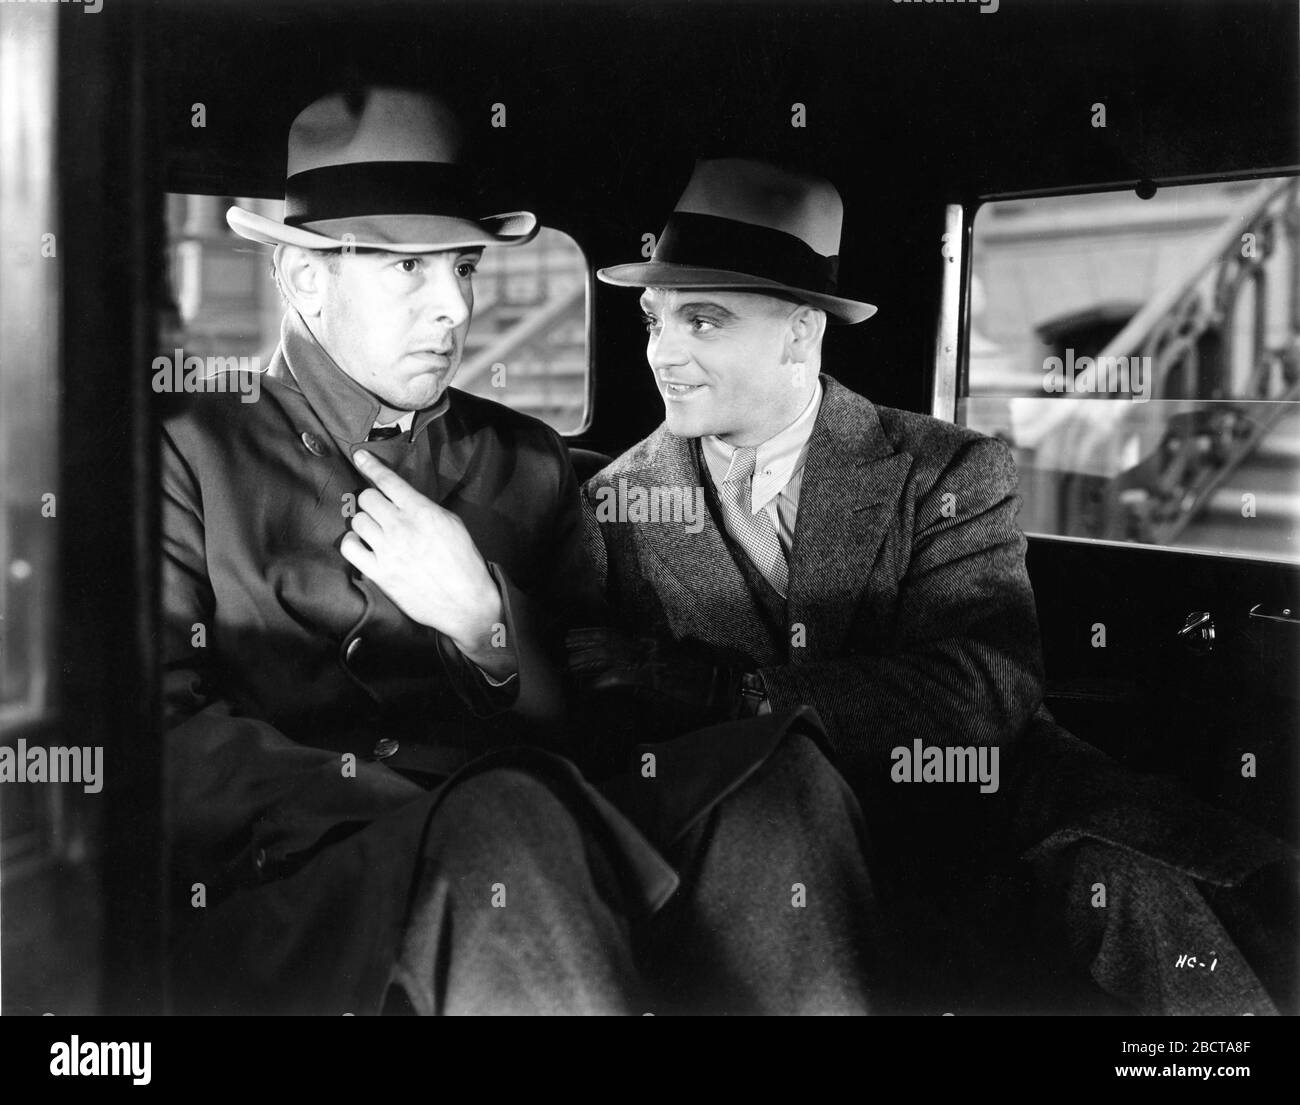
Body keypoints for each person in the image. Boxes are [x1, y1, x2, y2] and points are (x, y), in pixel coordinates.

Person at [162, 90, 876, 1016]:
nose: (454, 304)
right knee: (509, 819)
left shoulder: (525, 459)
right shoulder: (188, 450)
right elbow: (165, 740)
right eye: (409, 267)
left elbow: (601, 706)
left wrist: (489, 625)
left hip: (535, 823)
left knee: (781, 778)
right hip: (307, 885)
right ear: (304, 279)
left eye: (461, 265)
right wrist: (409, 805)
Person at [581, 157, 1296, 1015]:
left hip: (981, 818)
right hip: (761, 851)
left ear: (801, 332)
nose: (663, 354)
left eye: (704, 320)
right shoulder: (615, 502)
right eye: (655, 319)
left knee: (1147, 909)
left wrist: (729, 691)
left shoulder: (946, 468)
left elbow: (980, 693)